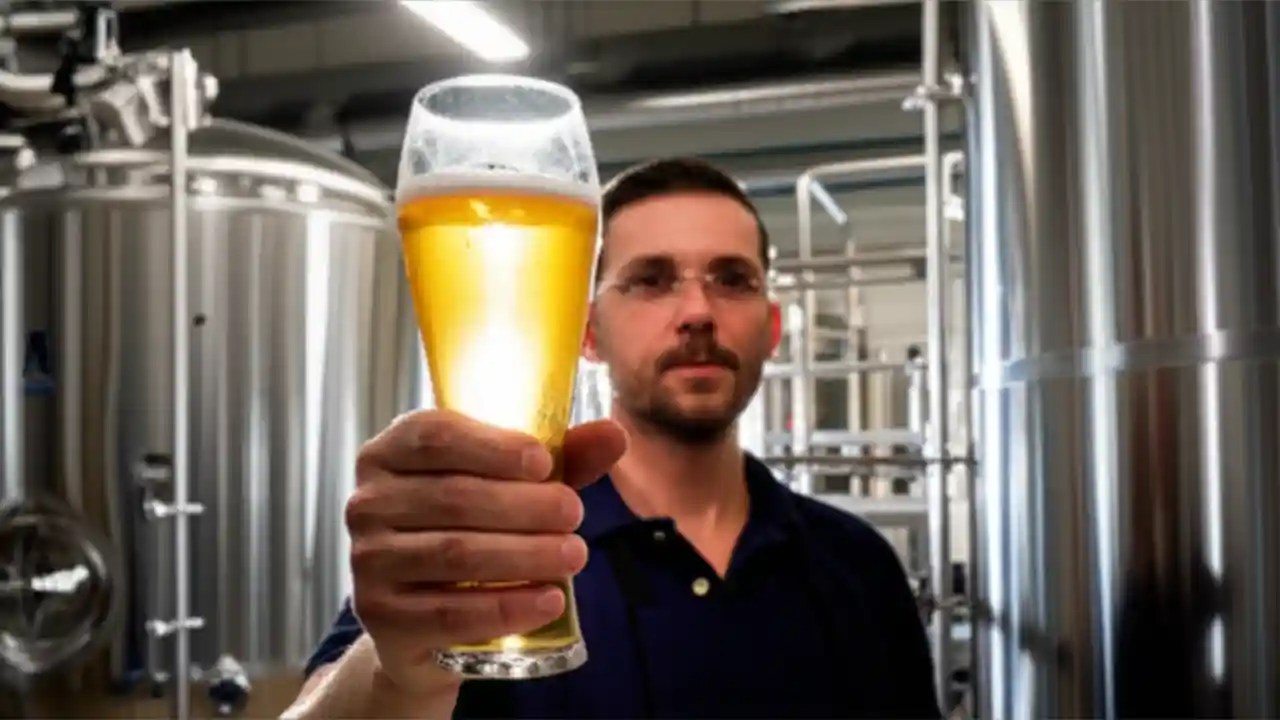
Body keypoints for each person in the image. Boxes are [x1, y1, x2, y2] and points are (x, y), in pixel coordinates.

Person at [283, 158, 941, 719]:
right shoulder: (496, 557)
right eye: (651, 279)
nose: (698, 314)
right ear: (588, 331)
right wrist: (397, 674)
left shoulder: (858, 566)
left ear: (770, 328)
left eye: (732, 279)